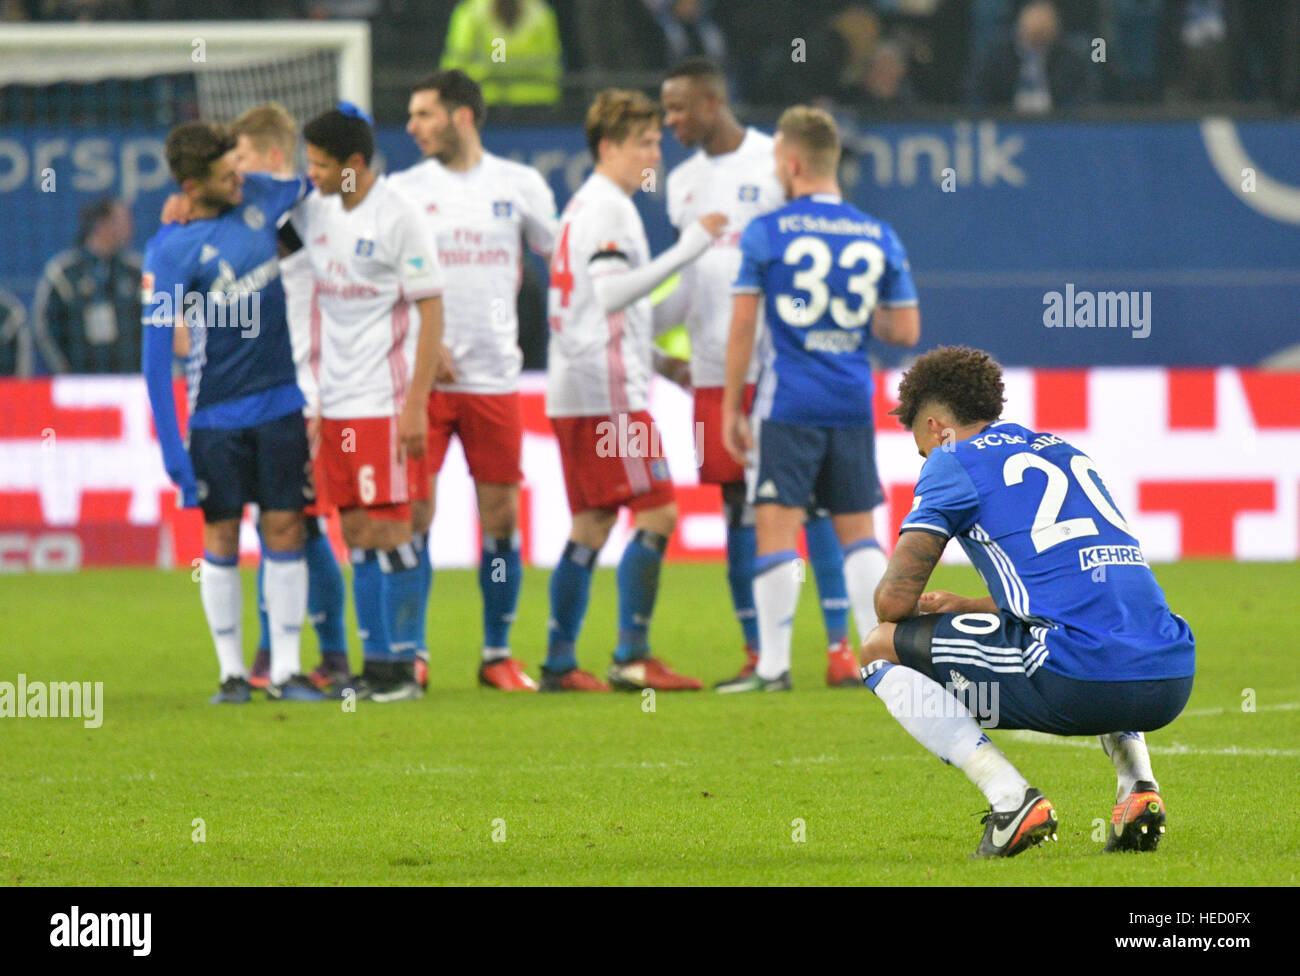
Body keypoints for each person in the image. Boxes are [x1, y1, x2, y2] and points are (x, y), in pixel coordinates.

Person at [860, 345, 1196, 858]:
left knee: (879, 647)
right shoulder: (1063, 449)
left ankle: (1010, 798)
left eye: (920, 448)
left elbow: (894, 602)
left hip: (1081, 680)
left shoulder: (951, 461)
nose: (926, 458)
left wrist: (927, 608)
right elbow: (1076, 585)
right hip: (1171, 674)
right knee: (1099, 622)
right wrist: (970, 606)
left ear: (933, 427)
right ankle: (1138, 788)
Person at [662, 57, 863, 690]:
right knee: (735, 508)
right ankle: (759, 652)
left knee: (817, 505)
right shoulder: (680, 183)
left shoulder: (771, 162)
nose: (670, 122)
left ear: (713, 100)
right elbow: (691, 278)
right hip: (711, 368)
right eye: (663, 111)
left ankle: (839, 650)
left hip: (781, 367)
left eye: (678, 108)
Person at [720, 105, 921, 692]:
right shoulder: (877, 233)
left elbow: (741, 328)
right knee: (857, 529)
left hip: (789, 403)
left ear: (793, 162)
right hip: (852, 400)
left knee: (777, 527)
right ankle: (876, 659)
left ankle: (774, 668)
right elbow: (905, 330)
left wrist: (732, 406)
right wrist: (856, 320)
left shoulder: (767, 231)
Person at [541, 88, 725, 692]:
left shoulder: (583, 207)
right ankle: (632, 655)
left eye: (657, 141)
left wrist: (662, 363)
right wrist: (688, 248)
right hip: (608, 396)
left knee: (592, 522)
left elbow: (599, 312)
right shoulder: (611, 210)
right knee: (660, 512)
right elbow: (611, 295)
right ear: (609, 146)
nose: (655, 153)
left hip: (581, 388)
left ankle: (560, 662)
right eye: (643, 142)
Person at [142, 121, 323, 704]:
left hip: (282, 403)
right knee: (220, 534)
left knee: (285, 525)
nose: (238, 177)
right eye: (225, 174)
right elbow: (153, 360)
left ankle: (289, 671)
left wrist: (350, 126)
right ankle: (230, 674)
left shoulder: (262, 196)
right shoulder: (169, 250)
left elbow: (325, 181)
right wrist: (173, 453)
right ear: (192, 186)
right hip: (215, 416)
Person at [391, 69, 557, 692]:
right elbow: (381, 277)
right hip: (423, 384)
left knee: (502, 519)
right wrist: (422, 344)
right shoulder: (404, 191)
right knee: (414, 513)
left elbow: (560, 256)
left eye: (424, 114)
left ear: (462, 116)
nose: (412, 127)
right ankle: (412, 652)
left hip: (493, 379)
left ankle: (496, 654)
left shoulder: (519, 185)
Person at [290, 105, 445, 702]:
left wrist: (415, 405)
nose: (314, 173)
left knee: (391, 529)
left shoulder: (399, 217)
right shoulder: (314, 212)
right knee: (354, 530)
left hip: (385, 401)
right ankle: (374, 664)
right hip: (337, 404)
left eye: (323, 164)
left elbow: (432, 308)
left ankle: (404, 667)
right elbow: (254, 205)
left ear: (355, 164)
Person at [228, 103, 352, 694]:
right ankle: (281, 649)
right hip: (267, 393)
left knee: (300, 523)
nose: (238, 170)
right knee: (281, 522)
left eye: (246, 158)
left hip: (305, 393)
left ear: (273, 160)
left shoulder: (295, 217)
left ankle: (324, 652)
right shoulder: (265, 221)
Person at [33, 198, 142, 375]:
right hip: (80, 383)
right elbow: (44, 326)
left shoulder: (138, 272)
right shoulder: (64, 274)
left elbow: (157, 318)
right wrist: (64, 370)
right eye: (123, 221)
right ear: (102, 224)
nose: (130, 227)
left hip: (130, 382)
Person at [440, 0, 562, 107]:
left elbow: (551, 66)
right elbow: (455, 66)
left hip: (536, 104)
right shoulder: (470, 14)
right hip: (483, 104)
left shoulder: (542, 14)